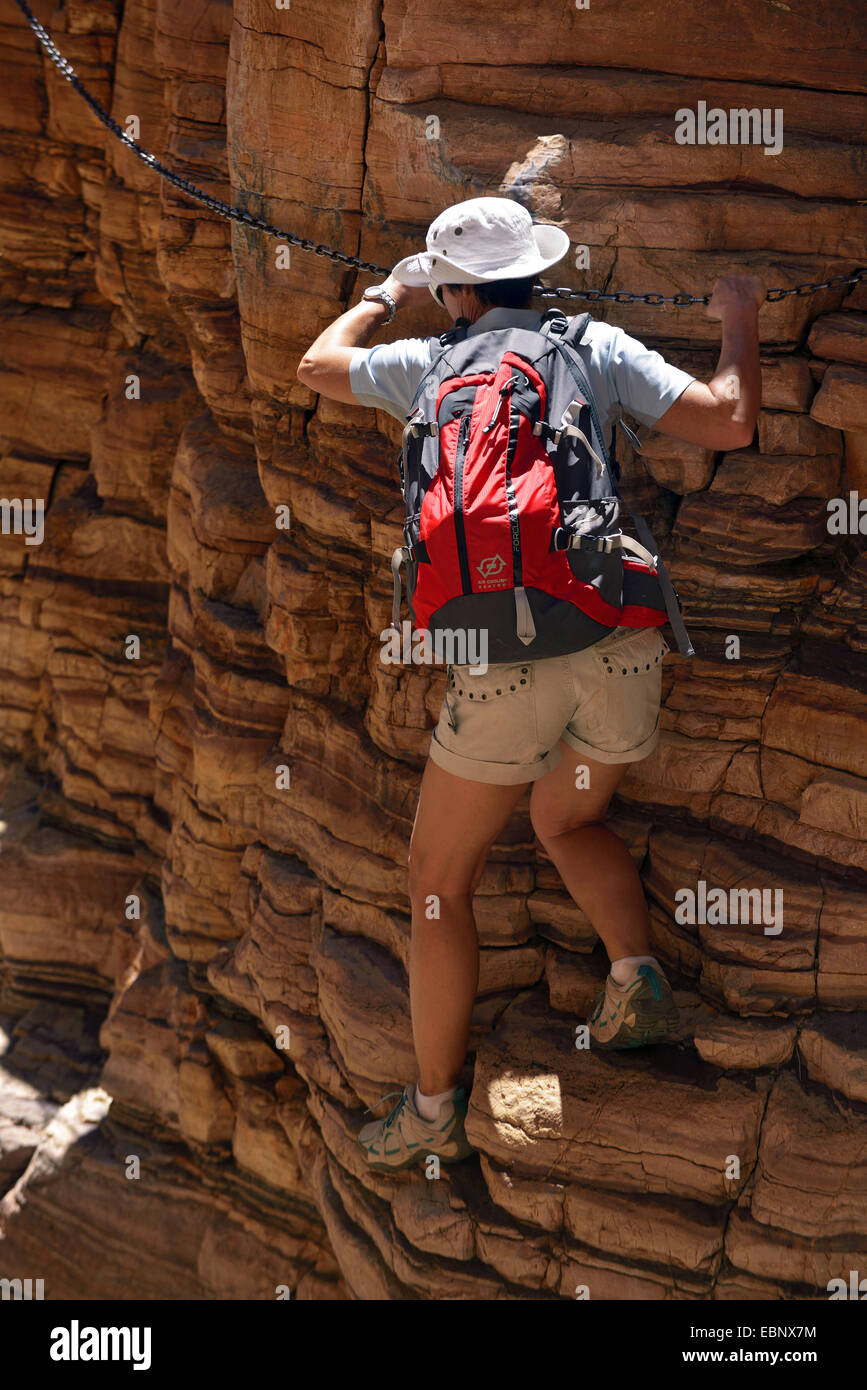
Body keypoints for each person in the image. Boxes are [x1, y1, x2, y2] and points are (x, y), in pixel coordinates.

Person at [297, 196, 764, 1170]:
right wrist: (741, 318)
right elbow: (727, 423)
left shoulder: (427, 362)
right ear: (536, 270)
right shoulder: (586, 342)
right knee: (568, 819)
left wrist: (388, 292)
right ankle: (634, 975)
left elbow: (315, 364)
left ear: (454, 285)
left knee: (437, 883)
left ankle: (432, 1106)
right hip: (621, 644)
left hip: (504, 664)